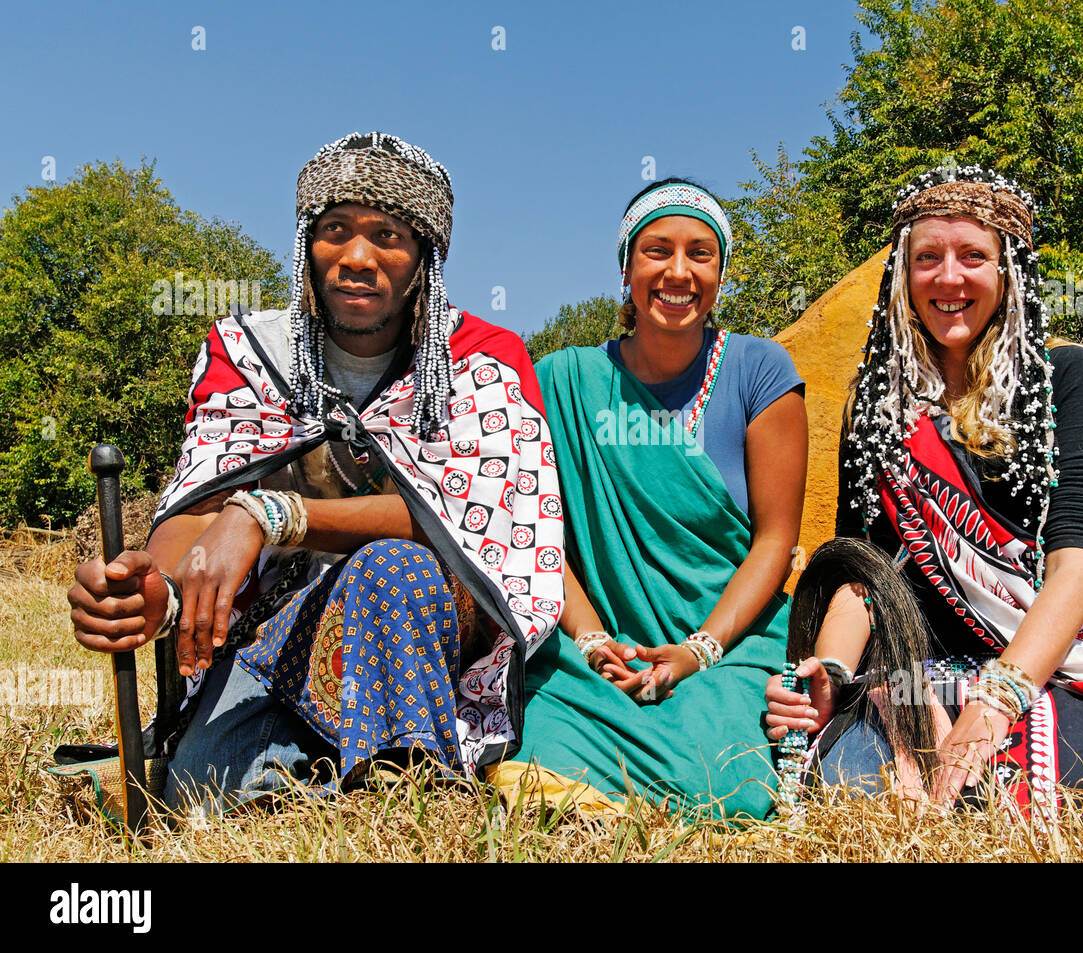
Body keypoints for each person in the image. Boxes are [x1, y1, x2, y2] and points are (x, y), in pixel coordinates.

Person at [67, 132, 565, 813]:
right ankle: (335, 774)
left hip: (423, 629)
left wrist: (270, 513)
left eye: (388, 235)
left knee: (391, 567)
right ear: (308, 243)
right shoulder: (248, 351)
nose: (357, 257)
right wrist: (160, 595)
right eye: (336, 230)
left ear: (425, 256)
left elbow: (466, 524)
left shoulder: (483, 358)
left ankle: (410, 781)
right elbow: (195, 509)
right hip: (282, 631)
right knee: (197, 795)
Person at [765, 165, 1083, 814]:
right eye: (927, 258)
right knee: (852, 784)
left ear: (1009, 272)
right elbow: (863, 578)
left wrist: (994, 703)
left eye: (973, 256)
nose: (948, 278)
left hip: (1041, 663)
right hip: (912, 672)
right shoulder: (878, 407)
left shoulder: (1065, 378)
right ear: (902, 275)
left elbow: (1078, 565)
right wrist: (832, 674)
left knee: (1049, 777)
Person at [511, 178, 807, 818]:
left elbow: (776, 539)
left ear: (721, 272)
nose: (679, 272)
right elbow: (536, 532)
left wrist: (698, 652)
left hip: (733, 642)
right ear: (626, 269)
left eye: (701, 254)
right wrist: (594, 642)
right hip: (598, 644)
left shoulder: (760, 370)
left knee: (719, 773)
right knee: (536, 740)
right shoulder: (562, 380)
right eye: (656, 251)